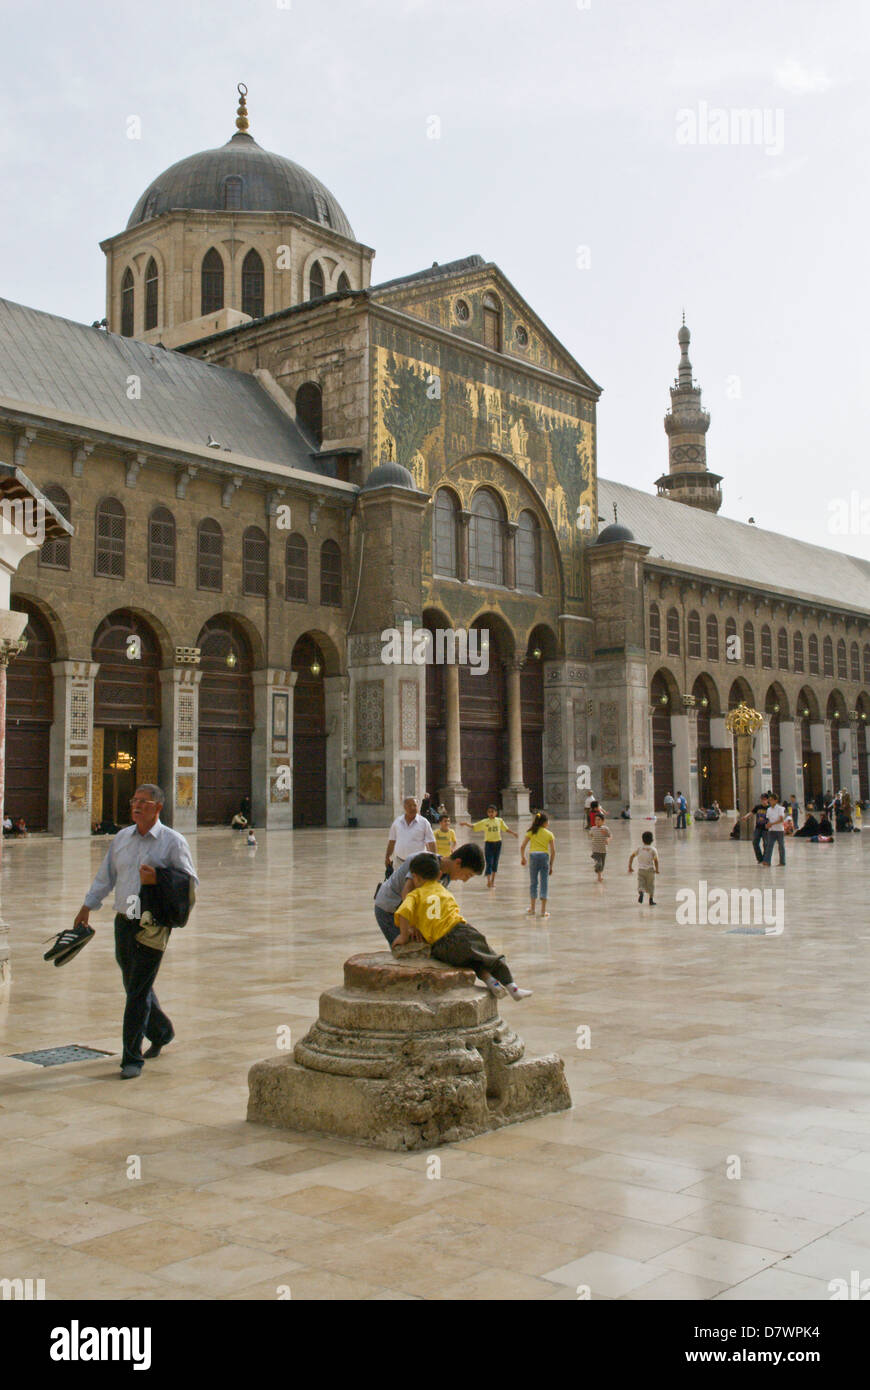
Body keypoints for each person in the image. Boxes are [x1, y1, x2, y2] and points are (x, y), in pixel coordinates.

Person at [73, 784, 198, 1080]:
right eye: (134, 800)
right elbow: (106, 876)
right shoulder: (122, 838)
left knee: (137, 992)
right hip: (124, 921)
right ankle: (162, 1031)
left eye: (143, 802)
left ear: (158, 807)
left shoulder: (173, 841)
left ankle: (131, 1058)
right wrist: (86, 907)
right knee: (134, 984)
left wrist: (159, 876)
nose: (137, 806)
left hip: (152, 924)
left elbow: (189, 883)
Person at [392, 853, 532, 1000]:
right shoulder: (444, 891)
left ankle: (492, 982)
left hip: (439, 946)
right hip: (459, 932)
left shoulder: (414, 896)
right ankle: (512, 987)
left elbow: (403, 912)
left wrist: (404, 935)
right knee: (490, 957)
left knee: (470, 962)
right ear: (439, 875)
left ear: (416, 877)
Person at [373, 842, 484, 945]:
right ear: (458, 863)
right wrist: (413, 926)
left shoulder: (445, 879)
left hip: (406, 911)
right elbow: (407, 894)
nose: (464, 880)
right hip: (389, 908)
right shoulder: (424, 861)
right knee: (407, 948)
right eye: (468, 875)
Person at [460, 804, 518, 888]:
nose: (491, 813)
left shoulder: (499, 821)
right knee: (489, 862)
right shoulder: (485, 821)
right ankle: (488, 881)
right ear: (487, 813)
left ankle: (493, 881)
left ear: (496, 813)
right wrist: (466, 824)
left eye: (492, 812)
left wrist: (513, 833)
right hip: (489, 843)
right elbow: (475, 826)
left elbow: (505, 829)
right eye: (489, 812)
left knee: (495, 862)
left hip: (498, 843)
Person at [385, 797, 436, 871]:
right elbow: (392, 841)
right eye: (409, 805)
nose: (412, 808)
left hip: (418, 864)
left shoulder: (424, 823)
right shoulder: (397, 822)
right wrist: (387, 856)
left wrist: (434, 859)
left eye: (414, 805)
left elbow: (431, 842)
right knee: (400, 882)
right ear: (405, 807)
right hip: (400, 863)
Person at [520, 811, 555, 919]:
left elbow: (522, 846)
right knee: (544, 882)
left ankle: (532, 909)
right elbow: (553, 851)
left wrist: (523, 857)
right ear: (544, 823)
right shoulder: (549, 834)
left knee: (533, 882)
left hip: (533, 857)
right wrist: (551, 865)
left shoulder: (531, 832)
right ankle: (543, 911)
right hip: (544, 857)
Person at [628, 831, 659, 905]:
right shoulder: (653, 850)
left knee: (641, 883)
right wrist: (657, 869)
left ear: (642, 840)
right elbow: (656, 860)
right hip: (650, 870)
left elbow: (632, 856)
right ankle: (651, 900)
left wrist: (630, 866)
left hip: (641, 870)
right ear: (652, 840)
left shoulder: (639, 849)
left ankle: (641, 892)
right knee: (650, 885)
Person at [741, 793, 770, 863]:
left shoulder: (769, 808)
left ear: (767, 800)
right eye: (762, 799)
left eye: (764, 799)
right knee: (755, 842)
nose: (763, 801)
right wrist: (745, 817)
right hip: (758, 828)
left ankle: (765, 858)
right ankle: (760, 859)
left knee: (766, 844)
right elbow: (751, 813)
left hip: (766, 829)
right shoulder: (758, 807)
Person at [762, 795, 787, 866]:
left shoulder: (780, 808)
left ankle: (782, 862)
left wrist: (772, 824)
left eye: (771, 800)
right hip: (771, 830)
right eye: (769, 800)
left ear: (776, 800)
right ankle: (767, 861)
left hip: (779, 830)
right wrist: (767, 824)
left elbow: (781, 820)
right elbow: (768, 819)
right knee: (769, 846)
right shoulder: (769, 809)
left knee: (781, 846)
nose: (770, 801)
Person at [589, 812, 612, 883]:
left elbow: (610, 835)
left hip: (603, 850)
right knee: (599, 863)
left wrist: (608, 839)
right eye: (596, 820)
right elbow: (591, 835)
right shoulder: (593, 828)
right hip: (595, 850)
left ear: (603, 821)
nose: (597, 821)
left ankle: (599, 876)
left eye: (599, 820)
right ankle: (596, 865)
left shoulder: (605, 829)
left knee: (602, 865)